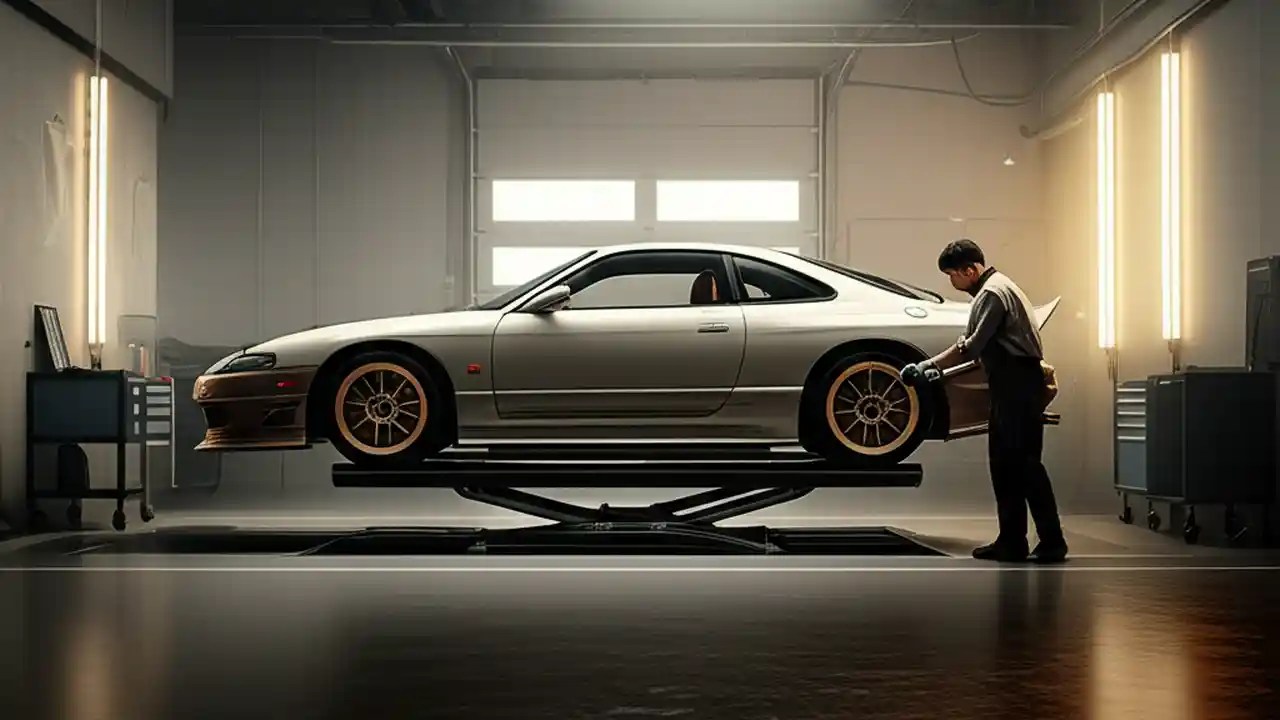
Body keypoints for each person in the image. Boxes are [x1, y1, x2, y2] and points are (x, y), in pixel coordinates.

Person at [901, 239, 1068, 563]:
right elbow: (985, 351)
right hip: (1015, 384)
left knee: (1024, 467)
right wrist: (942, 374)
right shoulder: (1002, 286)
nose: (952, 282)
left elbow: (971, 347)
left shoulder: (992, 293)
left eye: (953, 275)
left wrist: (928, 366)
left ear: (969, 269)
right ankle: (1013, 541)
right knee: (1009, 467)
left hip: (1017, 387)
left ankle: (1051, 542)